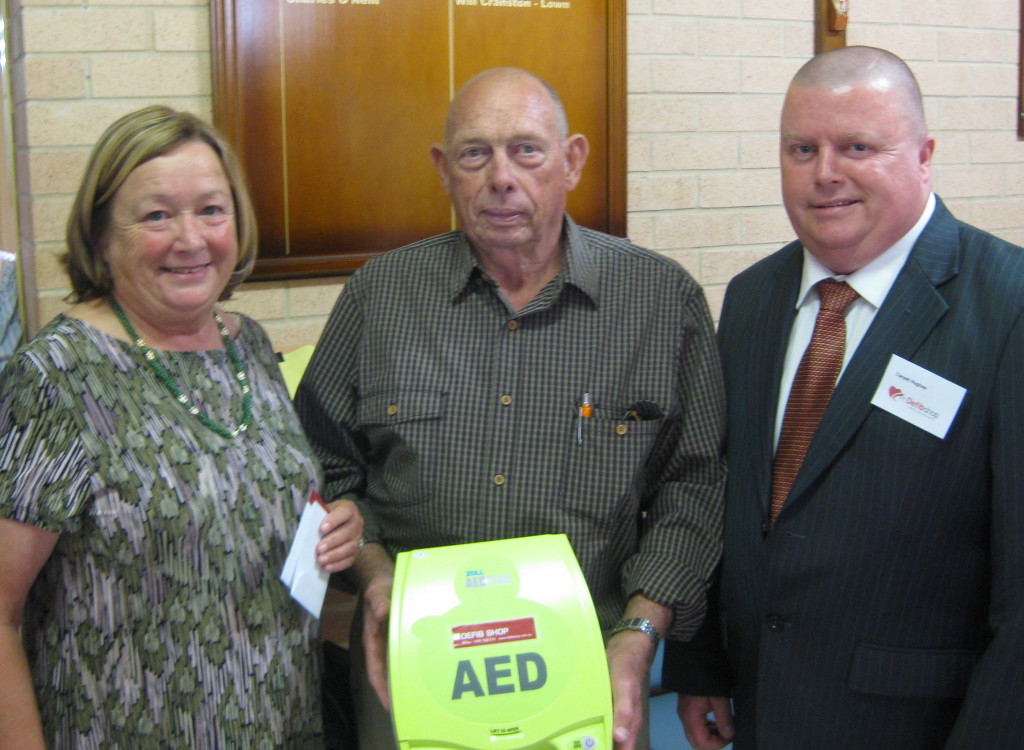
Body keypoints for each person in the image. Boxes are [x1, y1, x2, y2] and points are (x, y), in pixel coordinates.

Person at [295, 67, 727, 750]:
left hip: (591, 669)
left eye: (526, 149)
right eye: (475, 153)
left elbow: (696, 485)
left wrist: (640, 634)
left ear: (572, 160)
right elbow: (318, 469)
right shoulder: (379, 298)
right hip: (408, 675)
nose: (501, 176)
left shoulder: (659, 302)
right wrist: (374, 576)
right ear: (443, 169)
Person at [662, 45, 1024, 750]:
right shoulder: (753, 298)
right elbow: (720, 489)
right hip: (764, 710)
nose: (825, 174)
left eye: (858, 146)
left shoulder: (1007, 307)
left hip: (922, 725)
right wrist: (702, 662)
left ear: (924, 154)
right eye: (802, 148)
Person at [0, 105, 364, 749]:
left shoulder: (246, 344)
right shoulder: (56, 377)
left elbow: (249, 493)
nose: (190, 239)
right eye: (156, 215)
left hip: (284, 725)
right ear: (102, 233)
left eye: (211, 210)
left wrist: (334, 526)